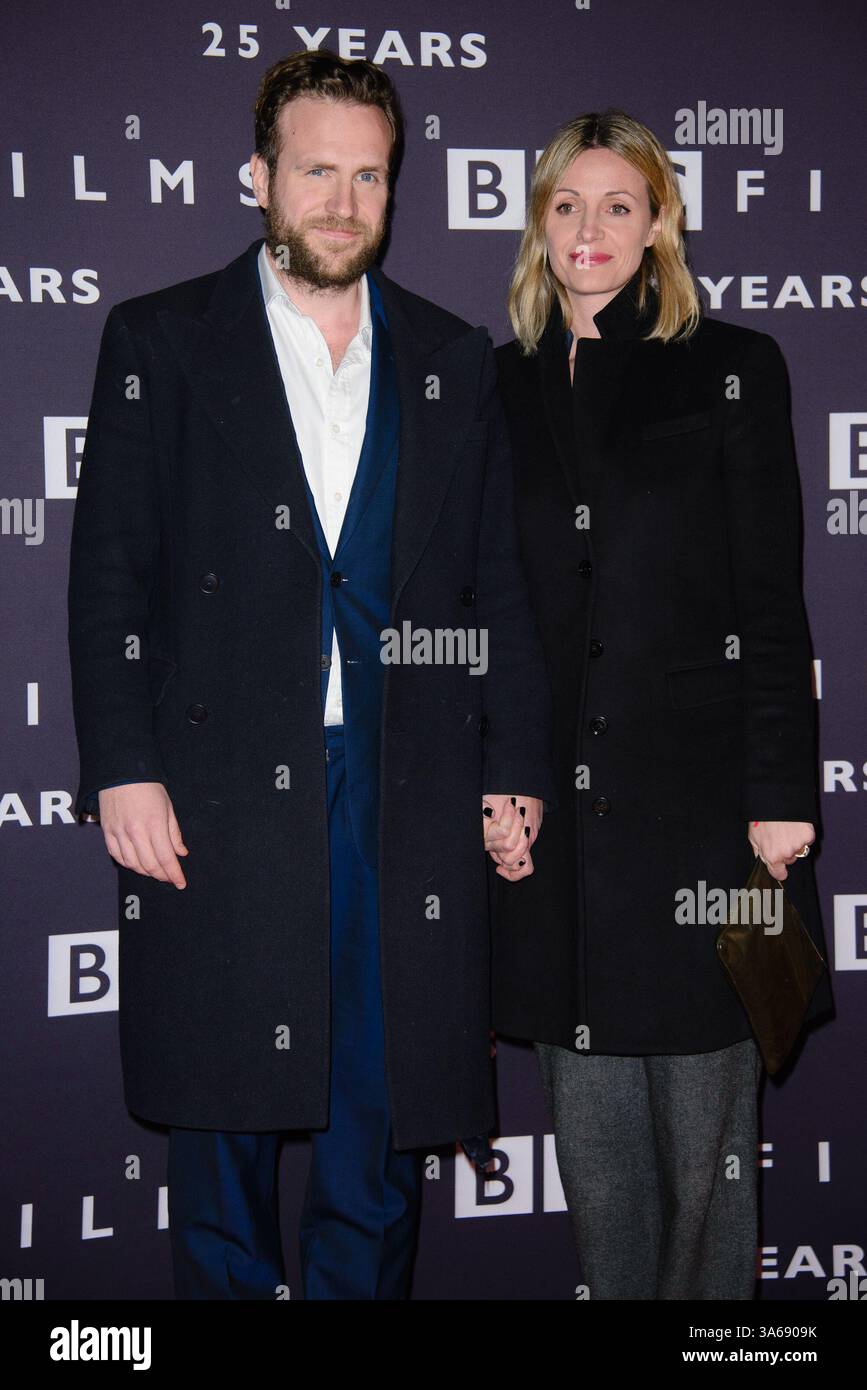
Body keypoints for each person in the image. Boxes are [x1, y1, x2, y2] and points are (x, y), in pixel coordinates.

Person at [67, 49, 554, 1301]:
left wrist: (510, 770)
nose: (342, 202)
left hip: (405, 795)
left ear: (396, 190)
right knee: (221, 1137)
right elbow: (111, 578)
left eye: (370, 176)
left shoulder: (454, 359)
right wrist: (123, 765)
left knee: (377, 1136)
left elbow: (496, 587)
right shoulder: (163, 341)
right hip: (221, 792)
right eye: (316, 171)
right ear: (259, 177)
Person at [490, 108, 832, 1300]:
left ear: (659, 225)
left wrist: (781, 798)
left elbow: (773, 600)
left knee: (710, 1179)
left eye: (618, 205)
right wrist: (503, 777)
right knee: (602, 1180)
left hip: (702, 824)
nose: (590, 228)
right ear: (540, 221)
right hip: (559, 851)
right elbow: (492, 619)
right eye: (567, 204)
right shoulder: (498, 388)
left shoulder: (734, 365)